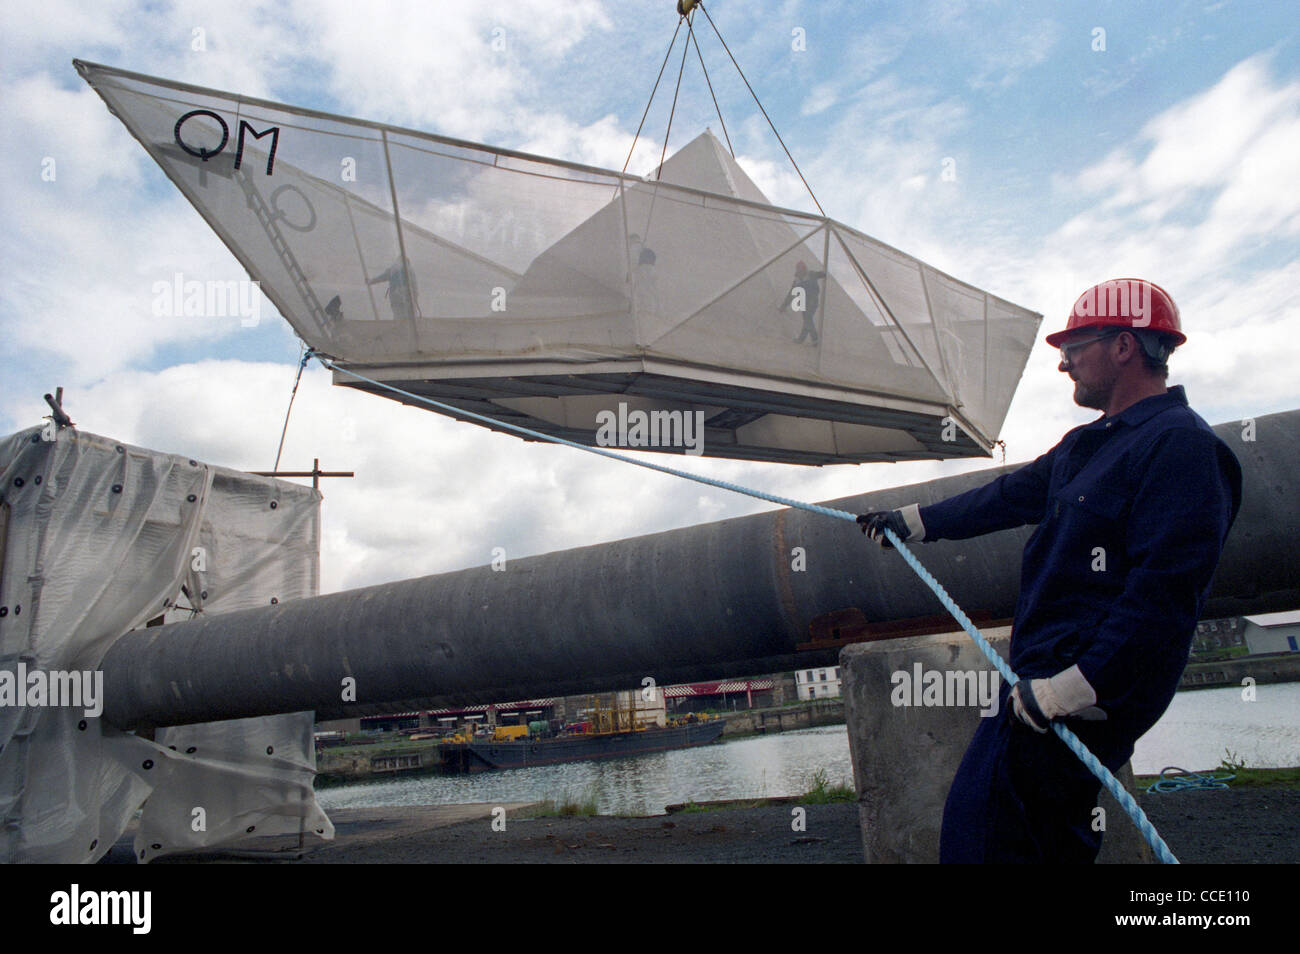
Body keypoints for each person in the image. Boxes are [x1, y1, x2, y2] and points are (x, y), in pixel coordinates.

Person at [857, 278, 1242, 863]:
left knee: (986, 839)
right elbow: (1009, 496)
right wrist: (914, 521)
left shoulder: (1181, 447)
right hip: (1041, 684)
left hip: (1081, 695)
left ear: (1124, 347)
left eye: (1075, 346)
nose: (1063, 365)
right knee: (1028, 841)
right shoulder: (1089, 445)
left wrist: (1076, 686)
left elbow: (1164, 596)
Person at [778, 260, 827, 344]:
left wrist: (824, 273)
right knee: (807, 320)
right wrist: (784, 306)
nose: (801, 271)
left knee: (807, 319)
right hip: (804, 302)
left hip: (812, 301)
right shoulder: (797, 281)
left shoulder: (811, 274)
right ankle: (802, 339)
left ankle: (814, 339)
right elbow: (791, 295)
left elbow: (821, 274)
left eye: (802, 269)